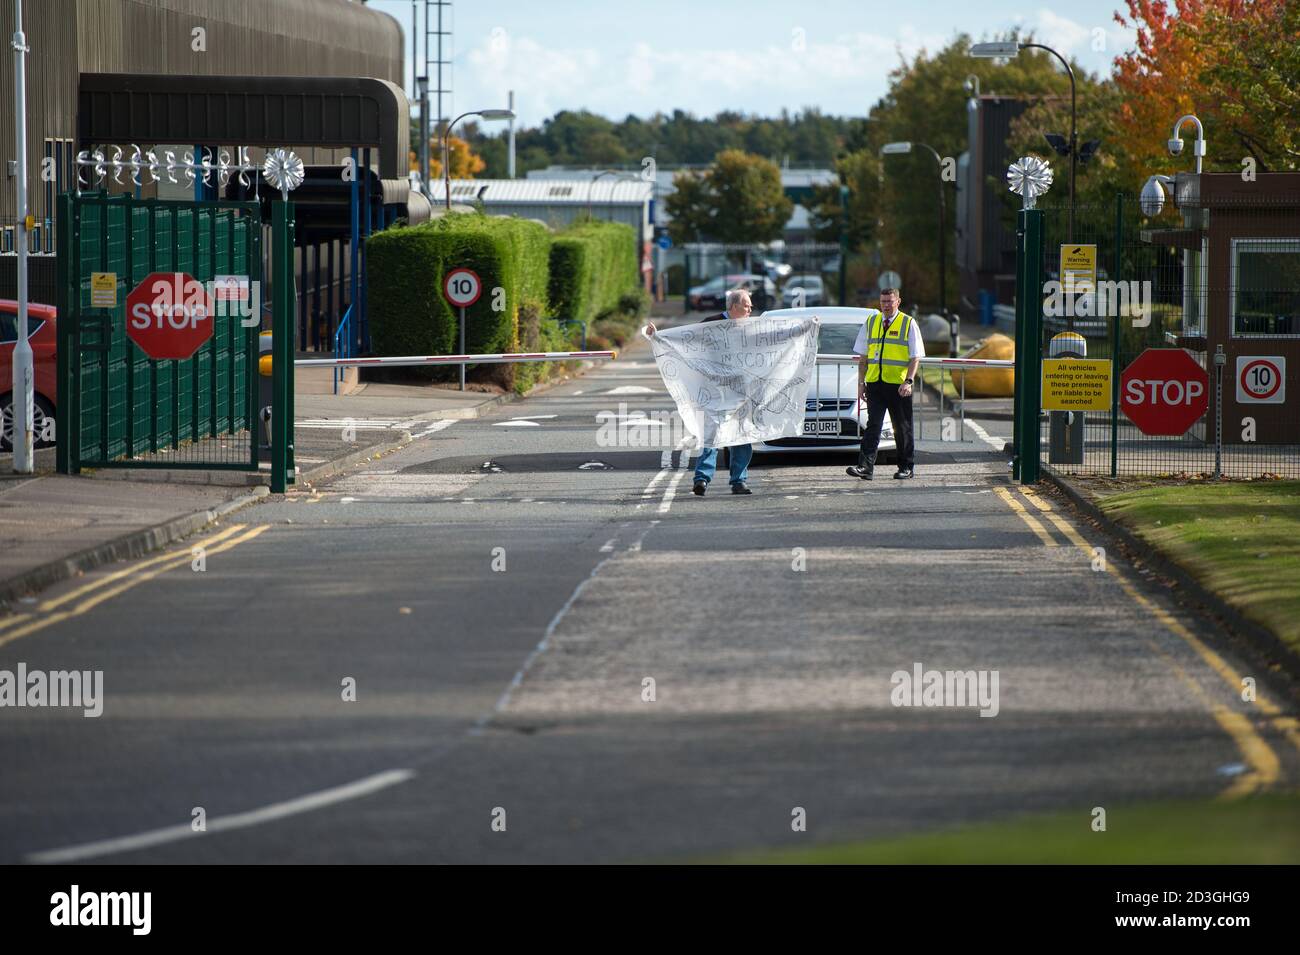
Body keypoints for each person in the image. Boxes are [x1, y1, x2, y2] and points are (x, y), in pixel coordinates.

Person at [644, 287, 755, 495]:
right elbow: (683, 341)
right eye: (747, 305)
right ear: (733, 306)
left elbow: (777, 336)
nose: (750, 309)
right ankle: (702, 479)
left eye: (750, 306)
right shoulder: (709, 324)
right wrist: (656, 337)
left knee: (742, 435)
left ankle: (739, 481)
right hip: (712, 391)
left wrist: (805, 329)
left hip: (739, 392)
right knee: (711, 436)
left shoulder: (751, 327)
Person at [846, 287, 922, 481]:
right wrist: (861, 382)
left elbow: (915, 357)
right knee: (873, 426)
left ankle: (906, 467)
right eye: (883, 302)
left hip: (898, 386)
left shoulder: (908, 323)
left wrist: (909, 381)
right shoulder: (872, 322)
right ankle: (865, 467)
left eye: (889, 301)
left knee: (902, 427)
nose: (886, 305)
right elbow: (863, 356)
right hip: (875, 384)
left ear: (898, 302)